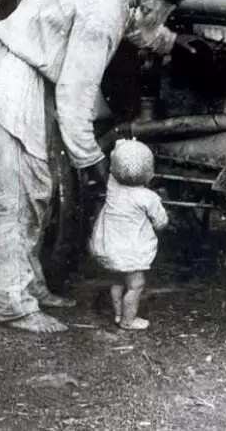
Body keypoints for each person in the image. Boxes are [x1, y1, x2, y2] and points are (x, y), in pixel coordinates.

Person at [0, 0, 196, 333]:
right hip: (16, 77)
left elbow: (139, 27)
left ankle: (33, 287)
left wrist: (169, 42)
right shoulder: (104, 11)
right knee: (21, 197)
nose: (163, 16)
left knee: (38, 190)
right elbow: (76, 94)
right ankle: (14, 304)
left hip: (27, 70)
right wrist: (90, 160)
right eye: (167, 9)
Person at [89, 139, 168, 330]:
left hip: (109, 246)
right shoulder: (148, 198)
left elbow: (115, 160)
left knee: (117, 281)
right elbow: (161, 222)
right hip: (130, 251)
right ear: (150, 173)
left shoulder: (112, 186)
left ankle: (117, 315)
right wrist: (161, 223)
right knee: (135, 285)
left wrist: (120, 145)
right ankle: (128, 321)